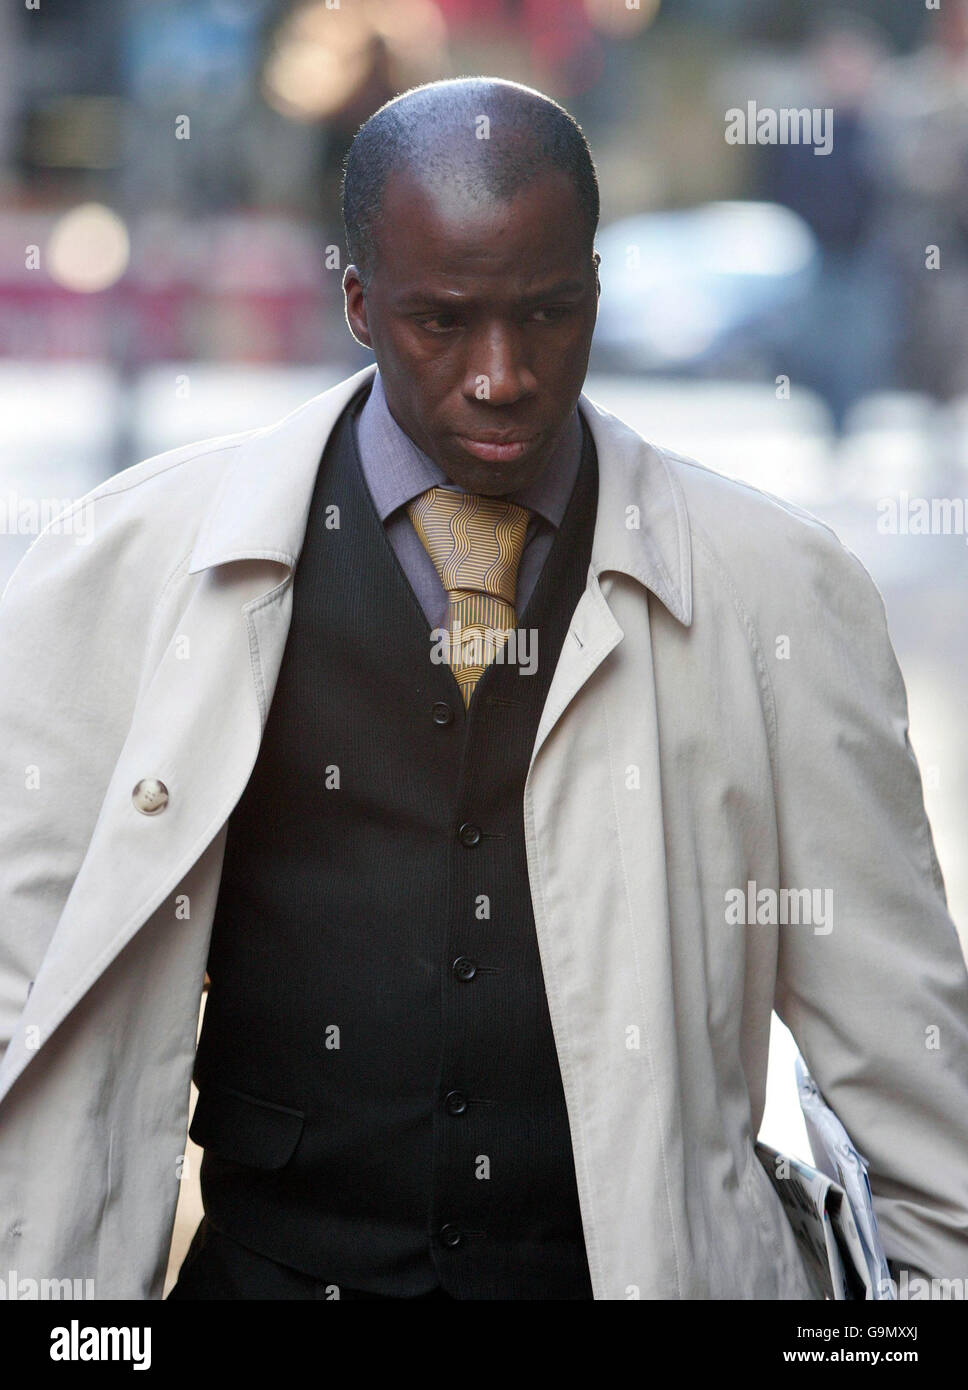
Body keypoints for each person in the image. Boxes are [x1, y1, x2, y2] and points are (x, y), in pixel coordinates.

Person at [1, 76, 967, 1301]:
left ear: (598, 293)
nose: (500, 376)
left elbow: (908, 1062)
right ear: (356, 301)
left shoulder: (776, 592)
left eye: (548, 314)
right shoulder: (125, 568)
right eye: (441, 321)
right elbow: (22, 989)